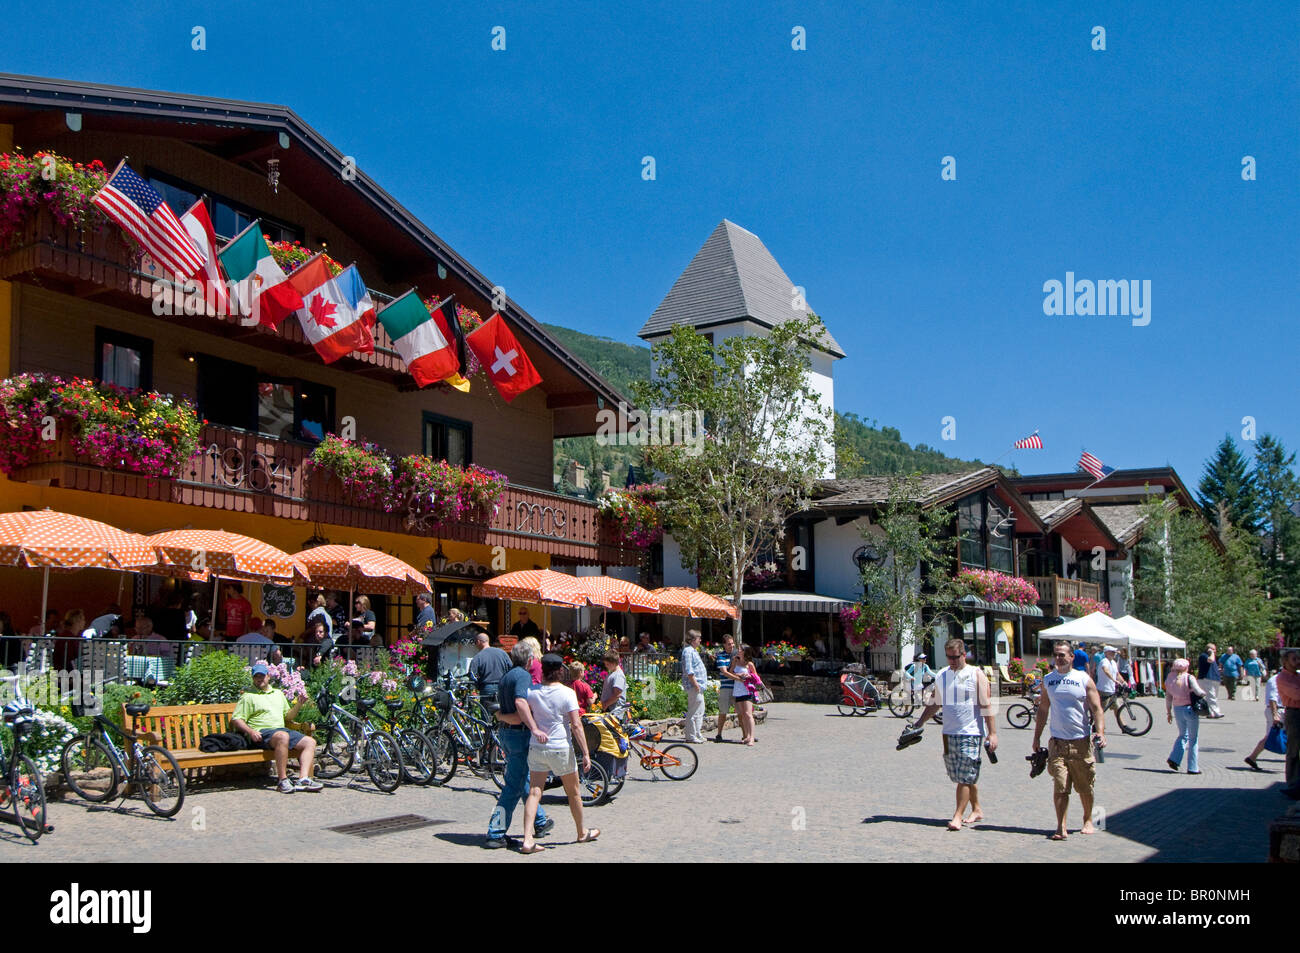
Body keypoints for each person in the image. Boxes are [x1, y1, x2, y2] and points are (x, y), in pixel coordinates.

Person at [908, 637, 998, 831]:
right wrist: (919, 722)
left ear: (964, 655)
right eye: (948, 657)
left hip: (971, 732)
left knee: (964, 776)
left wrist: (992, 733)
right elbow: (935, 702)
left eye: (955, 657)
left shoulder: (975, 674)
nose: (952, 661)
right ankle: (976, 808)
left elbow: (986, 705)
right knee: (960, 774)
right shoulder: (943, 674)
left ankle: (957, 816)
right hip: (949, 732)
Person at [520, 653, 598, 854]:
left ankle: (527, 839)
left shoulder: (532, 692)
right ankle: (581, 832)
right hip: (560, 747)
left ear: (543, 671)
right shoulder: (567, 693)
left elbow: (524, 711)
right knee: (573, 792)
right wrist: (586, 753)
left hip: (537, 746)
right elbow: (576, 724)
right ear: (560, 671)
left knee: (535, 791)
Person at [1033, 641, 1107, 840]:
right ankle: (1061, 826)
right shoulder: (1048, 680)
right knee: (1060, 785)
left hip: (1080, 742)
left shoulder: (1083, 679)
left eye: (1063, 654)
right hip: (1057, 743)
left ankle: (1088, 819)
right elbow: (1043, 709)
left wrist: (1100, 731)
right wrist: (1037, 737)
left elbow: (1097, 708)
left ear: (1072, 657)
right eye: (1056, 654)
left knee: (1084, 786)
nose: (1059, 658)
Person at [486, 641, 554, 848]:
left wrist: (503, 717)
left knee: (523, 778)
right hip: (519, 735)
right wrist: (533, 727)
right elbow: (520, 702)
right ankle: (495, 832)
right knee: (513, 786)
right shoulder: (523, 676)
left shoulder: (507, 676)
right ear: (530, 659)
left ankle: (540, 822)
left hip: (507, 733)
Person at [231, 661, 321, 792]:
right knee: (283, 736)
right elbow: (237, 719)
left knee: (310, 742)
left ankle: (303, 779)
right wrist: (250, 732)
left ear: (268, 676)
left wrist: (299, 704)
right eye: (256, 677)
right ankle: (282, 781)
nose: (259, 679)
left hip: (280, 731)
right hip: (261, 733)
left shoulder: (278, 694)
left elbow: (288, 717)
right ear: (253, 678)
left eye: (262, 676)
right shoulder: (248, 696)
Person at [1165, 658, 1204, 774]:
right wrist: (1205, 693)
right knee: (1193, 739)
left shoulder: (1169, 678)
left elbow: (1168, 697)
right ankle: (1193, 767)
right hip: (1189, 709)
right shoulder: (1189, 677)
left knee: (1182, 735)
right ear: (1186, 667)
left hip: (1177, 709)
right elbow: (1198, 691)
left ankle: (1174, 758)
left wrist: (1168, 712)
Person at [1245, 669, 1284, 771]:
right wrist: (1275, 714)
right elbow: (1272, 698)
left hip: (1279, 710)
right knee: (1275, 736)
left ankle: (1252, 757)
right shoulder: (1276, 680)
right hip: (1278, 710)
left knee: (1270, 736)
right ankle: (1252, 757)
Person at [1278, 649, 1300, 799]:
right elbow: (1297, 694)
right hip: (1294, 714)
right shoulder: (1282, 678)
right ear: (1285, 662)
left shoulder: (1298, 676)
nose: (1298, 661)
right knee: (1293, 749)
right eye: (1294, 659)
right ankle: (1292, 784)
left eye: (1298, 658)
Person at [680, 629, 707, 743]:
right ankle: (690, 736)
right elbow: (689, 670)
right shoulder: (688, 651)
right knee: (693, 711)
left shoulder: (693, 651)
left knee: (700, 711)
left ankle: (697, 733)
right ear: (692, 640)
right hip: (694, 686)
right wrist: (695, 684)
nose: (700, 640)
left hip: (699, 685)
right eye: (698, 638)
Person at [468, 631, 512, 701]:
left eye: (475, 642)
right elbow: (511, 669)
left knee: (487, 711)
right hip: (502, 687)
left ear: (479, 642)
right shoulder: (503, 653)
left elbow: (472, 676)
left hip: (486, 688)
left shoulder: (478, 657)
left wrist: (476, 688)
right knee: (503, 711)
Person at [727, 645, 758, 745]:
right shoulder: (735, 661)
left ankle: (752, 737)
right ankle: (747, 736)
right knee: (742, 714)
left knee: (748, 714)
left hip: (747, 690)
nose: (738, 651)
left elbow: (756, 677)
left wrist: (749, 675)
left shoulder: (749, 664)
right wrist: (738, 675)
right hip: (738, 690)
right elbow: (730, 672)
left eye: (740, 649)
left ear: (745, 652)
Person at [1095, 645, 1129, 732]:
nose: (1114, 654)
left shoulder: (1113, 662)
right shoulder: (1104, 661)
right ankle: (1096, 726)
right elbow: (1106, 670)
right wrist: (1114, 680)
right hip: (1103, 689)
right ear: (1106, 653)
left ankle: (1123, 727)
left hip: (1111, 690)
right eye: (1112, 652)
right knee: (1101, 710)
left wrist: (1123, 681)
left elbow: (1117, 674)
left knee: (1117, 708)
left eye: (1114, 652)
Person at [712, 634, 736, 742]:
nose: (732, 646)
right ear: (724, 645)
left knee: (742, 712)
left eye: (732, 643)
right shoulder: (721, 656)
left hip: (737, 687)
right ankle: (719, 734)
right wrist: (738, 678)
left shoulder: (737, 655)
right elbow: (724, 672)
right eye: (729, 644)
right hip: (726, 687)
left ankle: (747, 735)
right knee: (723, 711)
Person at [1197, 643, 1224, 718]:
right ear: (1208, 649)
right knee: (1211, 696)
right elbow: (1211, 660)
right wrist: (1211, 653)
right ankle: (1216, 712)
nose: (1215, 651)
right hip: (1207, 679)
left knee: (1214, 696)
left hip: (1214, 679)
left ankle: (1211, 713)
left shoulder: (1212, 656)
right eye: (1213, 649)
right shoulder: (1204, 656)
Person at [599, 649, 628, 716]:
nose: (606, 666)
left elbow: (617, 694)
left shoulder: (618, 675)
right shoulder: (613, 673)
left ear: (614, 663)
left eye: (608, 664)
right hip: (609, 710)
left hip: (614, 711)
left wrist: (606, 704)